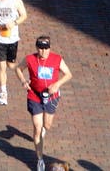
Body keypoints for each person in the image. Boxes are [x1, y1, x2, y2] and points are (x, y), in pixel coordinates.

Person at [15, 36, 73, 171]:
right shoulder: (30, 59)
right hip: (34, 96)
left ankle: (43, 130)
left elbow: (68, 74)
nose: (43, 51)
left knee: (47, 125)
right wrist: (23, 81)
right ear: (36, 48)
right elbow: (18, 69)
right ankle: (40, 159)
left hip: (52, 97)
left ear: (49, 48)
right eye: (40, 48)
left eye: (46, 48)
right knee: (37, 128)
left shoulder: (57, 59)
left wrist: (57, 84)